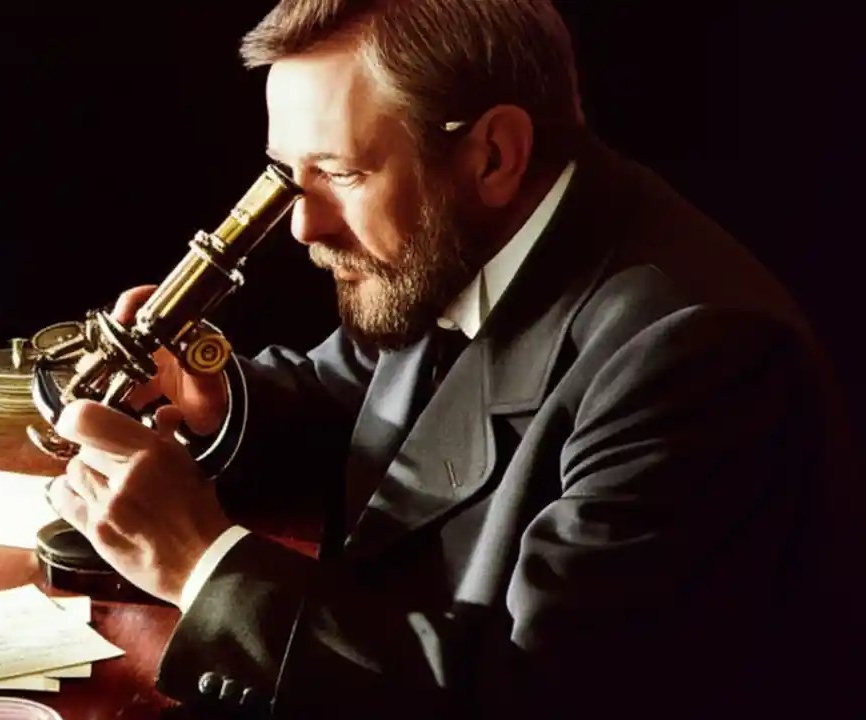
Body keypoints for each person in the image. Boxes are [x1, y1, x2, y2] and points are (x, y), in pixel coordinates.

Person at [45, 1, 861, 717]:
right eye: (288, 177)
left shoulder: (696, 360)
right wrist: (214, 400)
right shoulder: (477, 240)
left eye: (339, 172)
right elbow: (359, 399)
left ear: (494, 154)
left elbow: (532, 699)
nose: (303, 226)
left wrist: (202, 564)